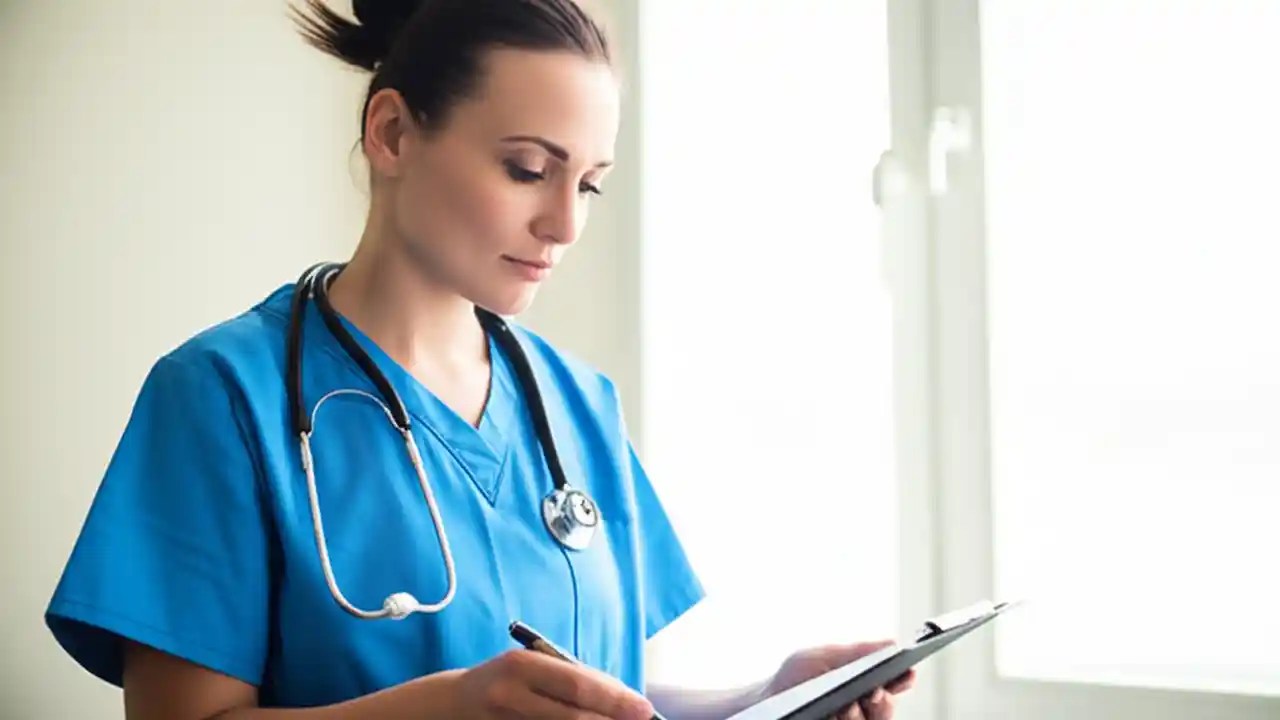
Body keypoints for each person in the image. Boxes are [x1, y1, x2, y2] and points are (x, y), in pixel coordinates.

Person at [43, 1, 916, 718]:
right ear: (391, 133)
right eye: (528, 168)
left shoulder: (577, 404)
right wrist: (444, 710)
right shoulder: (224, 398)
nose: (565, 226)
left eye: (588, 183)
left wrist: (766, 698)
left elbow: (604, 699)